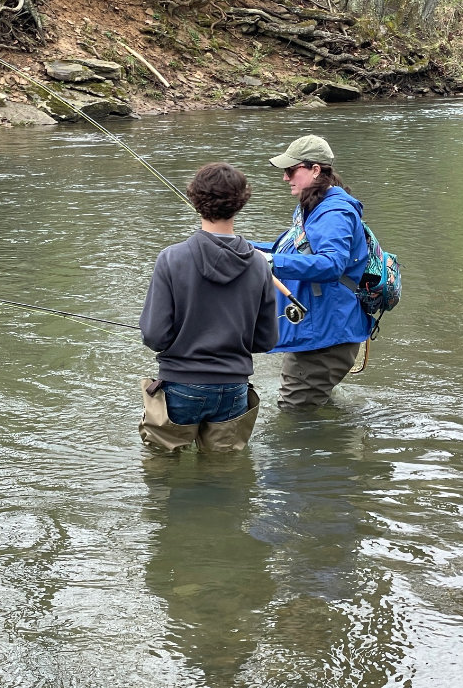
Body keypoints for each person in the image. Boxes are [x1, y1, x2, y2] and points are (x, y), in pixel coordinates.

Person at [138, 162, 279, 452]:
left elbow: (154, 336)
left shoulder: (171, 258)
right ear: (241, 202)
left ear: (195, 199)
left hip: (180, 385)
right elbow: (266, 340)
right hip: (234, 388)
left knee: (163, 469)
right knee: (225, 473)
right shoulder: (259, 264)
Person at [251, 134, 372, 410]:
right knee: (310, 406)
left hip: (326, 336)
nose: (285, 177)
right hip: (321, 330)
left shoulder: (335, 211)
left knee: (295, 413)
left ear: (315, 170)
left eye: (291, 170)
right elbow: (291, 250)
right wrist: (242, 247)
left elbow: (331, 265)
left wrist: (270, 263)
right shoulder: (313, 205)